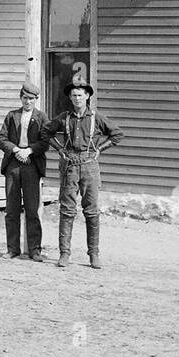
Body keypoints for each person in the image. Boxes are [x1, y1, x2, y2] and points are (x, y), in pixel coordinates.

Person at [41, 81, 124, 269]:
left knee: (92, 211)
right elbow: (46, 131)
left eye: (80, 95)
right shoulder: (65, 118)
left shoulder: (96, 118)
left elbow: (117, 135)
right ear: (70, 98)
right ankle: (64, 254)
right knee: (67, 210)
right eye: (73, 95)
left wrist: (100, 149)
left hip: (89, 167)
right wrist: (60, 149)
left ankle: (93, 254)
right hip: (70, 166)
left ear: (87, 96)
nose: (77, 98)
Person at [0, 80, 50, 262]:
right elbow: (1, 139)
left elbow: (45, 142)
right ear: (20, 98)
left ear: (36, 100)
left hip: (31, 165)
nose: (28, 102)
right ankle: (13, 249)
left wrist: (29, 150)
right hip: (13, 164)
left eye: (31, 99)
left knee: (32, 209)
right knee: (11, 209)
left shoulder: (42, 118)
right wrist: (16, 150)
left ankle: (35, 250)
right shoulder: (12, 116)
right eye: (25, 98)